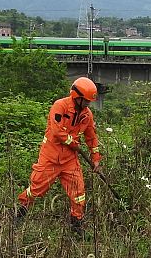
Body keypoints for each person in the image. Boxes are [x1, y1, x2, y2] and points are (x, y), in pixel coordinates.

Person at [15, 77, 101, 230]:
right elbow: (57, 131)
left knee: (78, 192)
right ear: (77, 97)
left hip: (69, 160)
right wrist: (72, 143)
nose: (88, 104)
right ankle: (20, 211)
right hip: (50, 157)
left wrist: (95, 158)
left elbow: (91, 137)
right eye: (86, 101)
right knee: (36, 189)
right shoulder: (60, 106)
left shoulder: (87, 115)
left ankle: (76, 222)